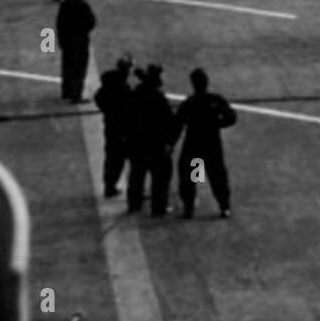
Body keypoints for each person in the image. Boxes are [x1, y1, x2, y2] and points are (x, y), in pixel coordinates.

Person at [174, 67, 237, 219]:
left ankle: (189, 207)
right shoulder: (215, 100)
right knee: (217, 176)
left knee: (193, 176)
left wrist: (170, 143)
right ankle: (224, 206)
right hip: (212, 146)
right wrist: (217, 124)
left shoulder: (189, 103)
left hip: (194, 146)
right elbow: (231, 117)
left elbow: (177, 124)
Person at [128, 64, 177, 216]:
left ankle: (134, 203)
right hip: (156, 144)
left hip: (137, 142)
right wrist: (170, 142)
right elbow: (170, 122)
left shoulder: (137, 93)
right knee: (160, 177)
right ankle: (159, 208)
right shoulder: (159, 99)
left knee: (137, 174)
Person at [93, 54, 134, 198]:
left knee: (112, 158)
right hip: (122, 129)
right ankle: (121, 189)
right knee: (125, 160)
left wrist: (108, 111)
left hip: (110, 125)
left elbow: (98, 98)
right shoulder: (123, 88)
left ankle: (109, 185)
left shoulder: (109, 83)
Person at [56, 0, 95, 103]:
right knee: (79, 68)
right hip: (80, 40)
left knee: (67, 66)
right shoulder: (83, 6)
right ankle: (76, 95)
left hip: (67, 40)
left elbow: (59, 23)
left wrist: (60, 39)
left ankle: (66, 91)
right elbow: (91, 22)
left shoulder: (65, 3)